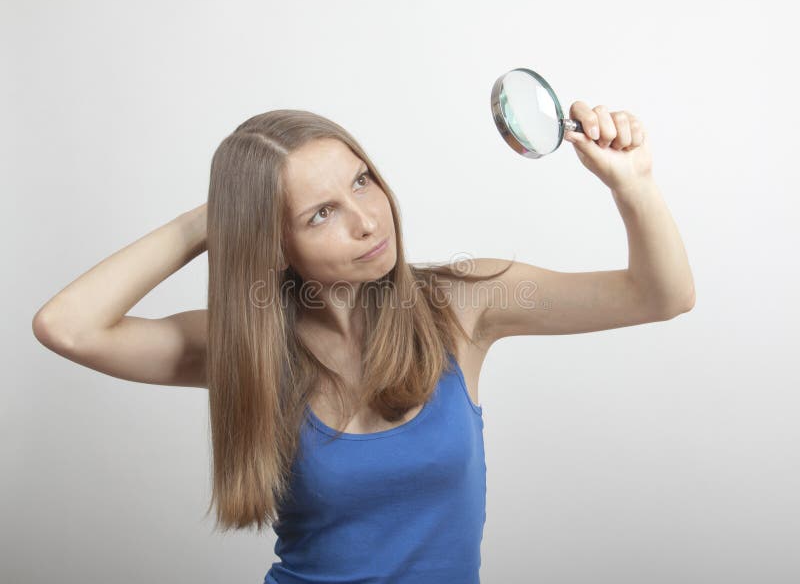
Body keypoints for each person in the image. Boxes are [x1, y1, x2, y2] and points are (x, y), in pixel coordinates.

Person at [32, 106, 695, 583]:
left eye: (360, 180)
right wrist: (211, 220)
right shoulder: (247, 341)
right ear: (273, 242)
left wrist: (633, 184)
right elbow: (68, 325)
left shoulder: (462, 304)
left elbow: (658, 294)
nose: (367, 218)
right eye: (320, 213)